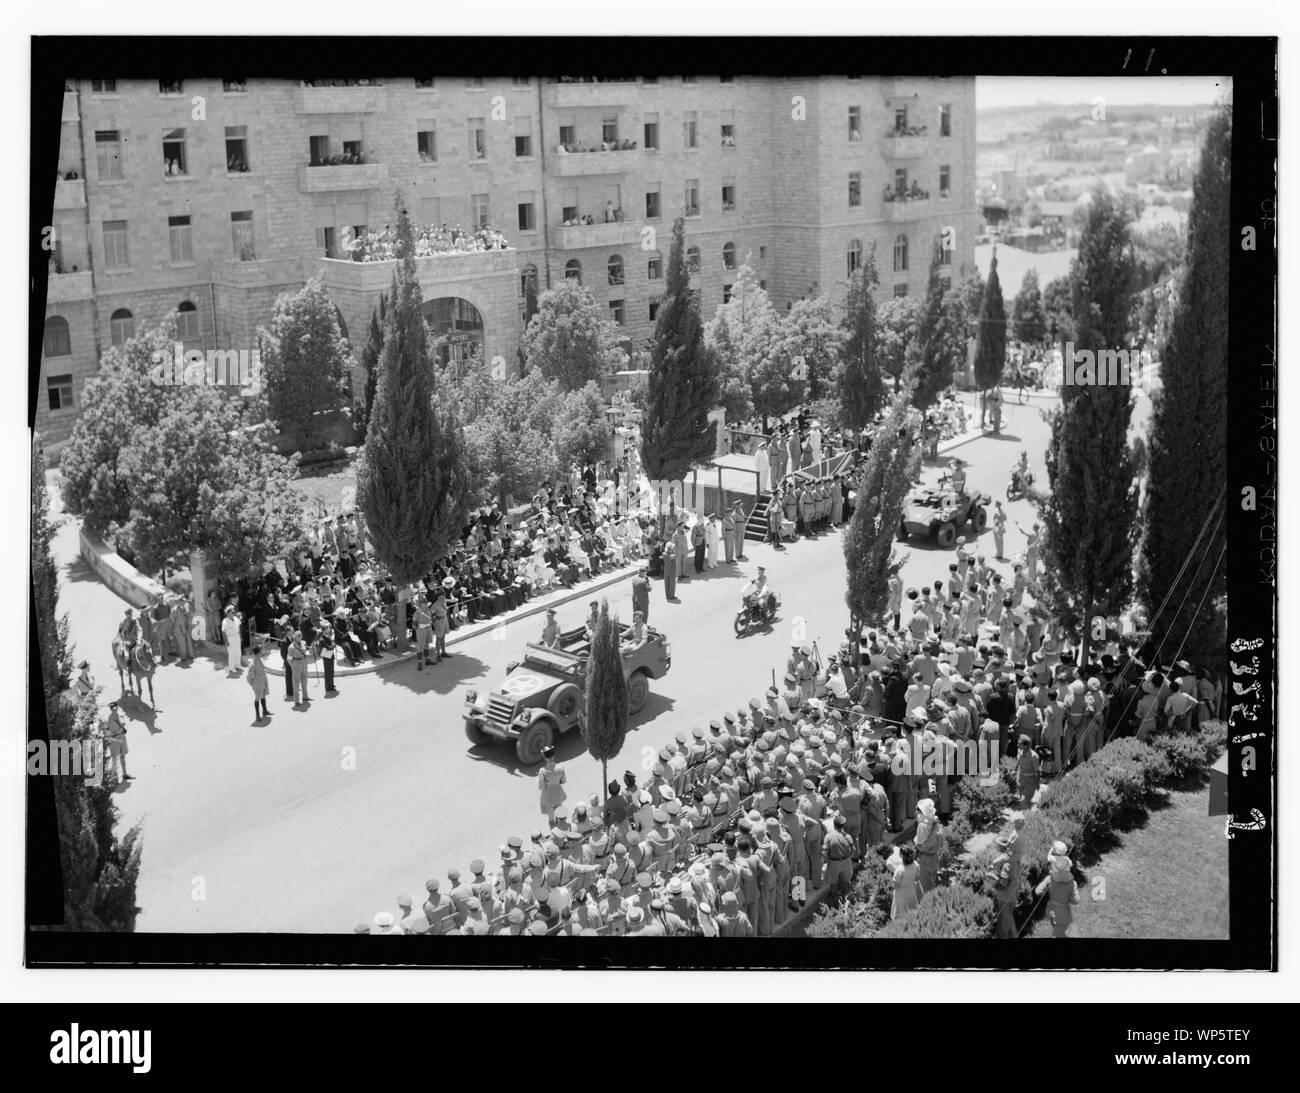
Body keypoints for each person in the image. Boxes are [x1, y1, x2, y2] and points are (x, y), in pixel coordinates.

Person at [1034, 841, 1080, 938]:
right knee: (1058, 933)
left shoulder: (1049, 879)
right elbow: (1075, 901)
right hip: (1063, 915)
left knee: (1057, 932)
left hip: (1051, 911)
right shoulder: (1073, 883)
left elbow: (1037, 891)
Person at [986, 834, 1021, 939]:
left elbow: (1003, 884)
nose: (997, 847)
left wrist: (992, 876)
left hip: (1005, 895)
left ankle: (1003, 936)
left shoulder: (1006, 864)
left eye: (998, 845)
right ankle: (1014, 935)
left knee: (1004, 920)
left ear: (1002, 847)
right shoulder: (1014, 857)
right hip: (1013, 890)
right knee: (1009, 916)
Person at [890, 845, 921, 919]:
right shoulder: (916, 865)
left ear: (901, 855)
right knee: (912, 913)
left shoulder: (900, 870)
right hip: (911, 893)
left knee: (901, 916)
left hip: (901, 896)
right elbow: (916, 878)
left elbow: (896, 886)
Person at [538, 746, 567, 823]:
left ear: (544, 757)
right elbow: (563, 781)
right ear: (554, 756)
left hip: (548, 795)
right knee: (560, 815)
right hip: (558, 793)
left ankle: (553, 831)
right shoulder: (560, 768)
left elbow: (542, 787)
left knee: (551, 818)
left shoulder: (542, 771)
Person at [104, 701, 131, 781]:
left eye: (116, 708)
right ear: (111, 709)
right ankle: (113, 777)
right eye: (113, 708)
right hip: (115, 739)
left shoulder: (118, 715)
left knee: (123, 756)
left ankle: (124, 774)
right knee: (115, 758)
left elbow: (123, 725)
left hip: (121, 738)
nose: (115, 709)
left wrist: (123, 728)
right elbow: (114, 731)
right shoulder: (110, 718)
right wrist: (122, 728)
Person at [1015, 734, 1040, 806]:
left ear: (1025, 746)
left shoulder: (1034, 756)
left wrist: (1037, 784)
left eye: (1019, 744)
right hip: (1020, 779)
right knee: (1020, 799)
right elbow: (1018, 761)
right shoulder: (1020, 752)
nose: (1017, 745)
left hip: (1030, 782)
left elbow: (1037, 772)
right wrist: (1015, 769)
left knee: (1024, 802)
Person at [246, 645, 270, 720]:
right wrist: (252, 683)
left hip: (263, 681)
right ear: (258, 653)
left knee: (263, 696)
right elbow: (249, 676)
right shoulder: (253, 663)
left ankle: (265, 711)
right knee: (257, 698)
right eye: (261, 651)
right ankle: (257, 715)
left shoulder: (261, 659)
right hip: (257, 683)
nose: (262, 652)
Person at [289, 630, 310, 706]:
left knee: (305, 681)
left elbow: (305, 650)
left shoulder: (304, 643)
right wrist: (293, 665)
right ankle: (296, 701)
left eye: (301, 635)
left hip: (304, 663)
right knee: (296, 683)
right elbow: (289, 658)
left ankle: (305, 696)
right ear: (295, 637)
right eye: (299, 635)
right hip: (296, 664)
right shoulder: (291, 647)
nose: (301, 636)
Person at [413, 596, 433, 670]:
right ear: (420, 604)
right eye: (422, 603)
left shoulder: (428, 610)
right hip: (421, 629)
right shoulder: (417, 612)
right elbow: (414, 623)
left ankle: (427, 660)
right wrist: (418, 629)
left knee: (427, 644)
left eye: (425, 602)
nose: (424, 604)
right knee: (420, 646)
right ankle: (419, 662)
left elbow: (430, 618)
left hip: (428, 628)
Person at [221, 606, 243, 674]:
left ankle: (238, 665)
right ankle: (231, 668)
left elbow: (240, 626)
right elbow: (223, 632)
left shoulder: (236, 618)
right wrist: (226, 641)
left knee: (238, 652)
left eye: (233, 612)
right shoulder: (225, 621)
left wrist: (241, 637)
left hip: (237, 636)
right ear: (227, 613)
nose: (233, 613)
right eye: (231, 612)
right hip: (230, 638)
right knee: (231, 653)